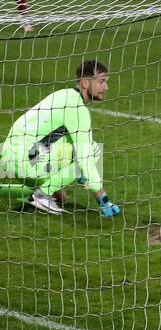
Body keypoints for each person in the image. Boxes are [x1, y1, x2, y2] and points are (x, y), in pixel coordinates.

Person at [0, 60, 121, 216]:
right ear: (85, 82)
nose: (106, 87)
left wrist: (56, 189)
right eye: (101, 82)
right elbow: (85, 157)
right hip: (28, 162)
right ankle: (42, 196)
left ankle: (32, 192)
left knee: (61, 197)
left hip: (11, 158)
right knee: (92, 149)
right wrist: (104, 201)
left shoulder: (62, 95)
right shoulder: (77, 108)